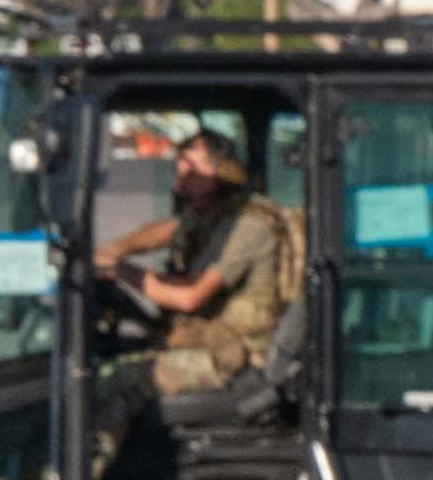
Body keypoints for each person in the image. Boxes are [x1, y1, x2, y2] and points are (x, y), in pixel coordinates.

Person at [100, 123, 298, 394]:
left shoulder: (251, 225)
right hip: (213, 342)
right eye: (179, 170)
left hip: (241, 359)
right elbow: (170, 229)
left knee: (115, 381)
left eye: (191, 170)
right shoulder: (212, 212)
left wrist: (119, 270)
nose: (179, 183)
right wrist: (114, 249)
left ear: (223, 172)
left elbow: (190, 297)